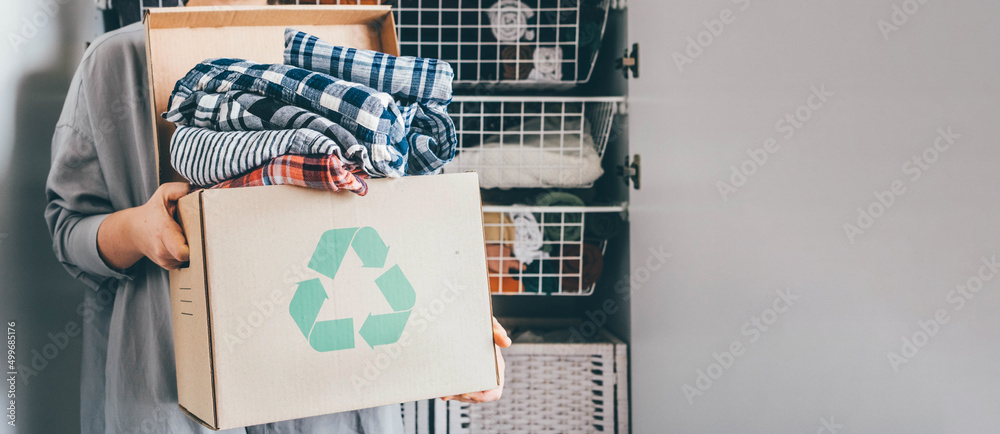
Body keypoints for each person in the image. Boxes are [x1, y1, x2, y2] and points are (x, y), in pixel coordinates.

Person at [44, 2, 509, 433]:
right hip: (171, 384)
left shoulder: (347, 52)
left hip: (339, 390)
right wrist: (139, 230)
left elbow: (406, 221)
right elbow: (69, 233)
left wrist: (462, 332)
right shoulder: (116, 60)